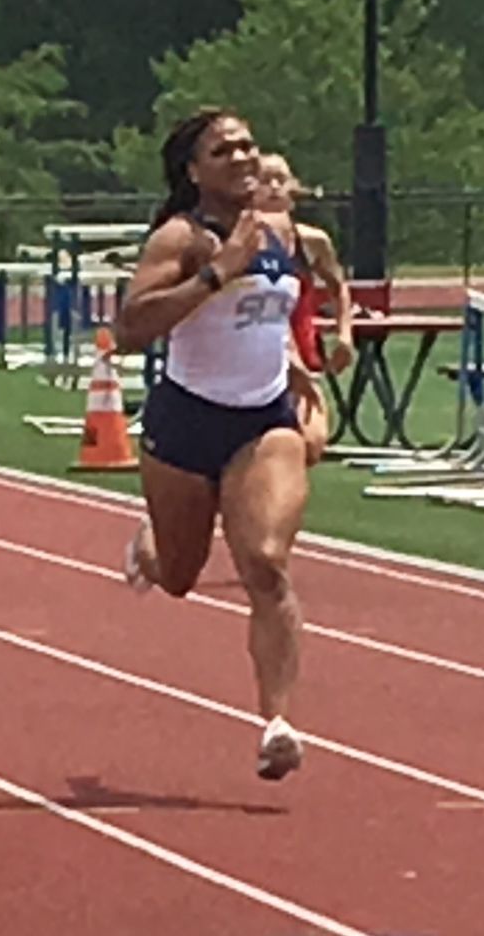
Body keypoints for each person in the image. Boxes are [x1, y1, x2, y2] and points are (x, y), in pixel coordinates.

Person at [114, 108, 323, 782]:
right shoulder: (181, 237)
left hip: (262, 418)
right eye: (222, 149)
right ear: (193, 170)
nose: (240, 157)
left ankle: (279, 722)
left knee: (265, 561)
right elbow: (131, 328)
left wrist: (293, 359)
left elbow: (272, 312)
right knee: (178, 577)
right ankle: (150, 543)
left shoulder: (284, 233)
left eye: (247, 145)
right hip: (184, 421)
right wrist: (217, 273)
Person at [254, 152, 355, 462]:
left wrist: (344, 335)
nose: (273, 187)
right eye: (264, 179)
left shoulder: (312, 241)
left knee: (310, 445)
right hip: (256, 362)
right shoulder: (237, 242)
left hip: (303, 356)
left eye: (280, 179)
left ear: (293, 189)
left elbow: (338, 287)